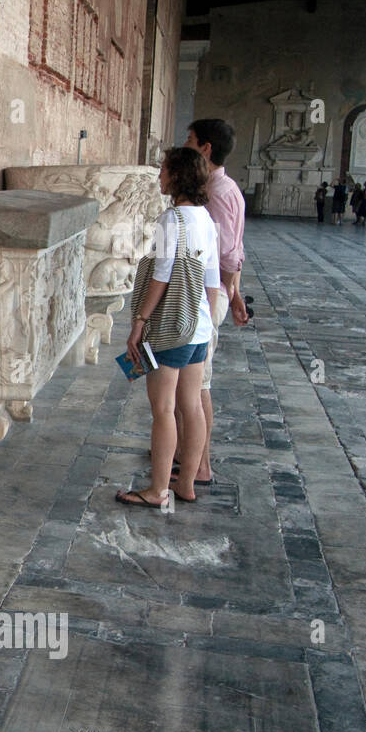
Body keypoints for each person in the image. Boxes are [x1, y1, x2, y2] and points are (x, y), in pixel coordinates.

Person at [117, 147, 224, 510]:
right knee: (191, 405)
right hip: (198, 328)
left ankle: (158, 489)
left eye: (163, 170)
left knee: (163, 409)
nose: (160, 176)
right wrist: (206, 325)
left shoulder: (172, 219)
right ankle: (187, 483)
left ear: (177, 176)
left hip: (170, 328)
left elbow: (161, 276)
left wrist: (139, 323)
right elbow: (212, 278)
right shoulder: (207, 220)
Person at [182, 118, 248, 487]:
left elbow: (221, 254)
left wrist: (218, 300)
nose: (185, 144)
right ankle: (186, 454)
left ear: (205, 148)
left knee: (198, 384)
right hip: (218, 293)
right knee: (193, 383)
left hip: (207, 296)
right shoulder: (223, 187)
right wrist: (235, 295)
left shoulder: (217, 193)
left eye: (190, 140)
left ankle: (200, 465)